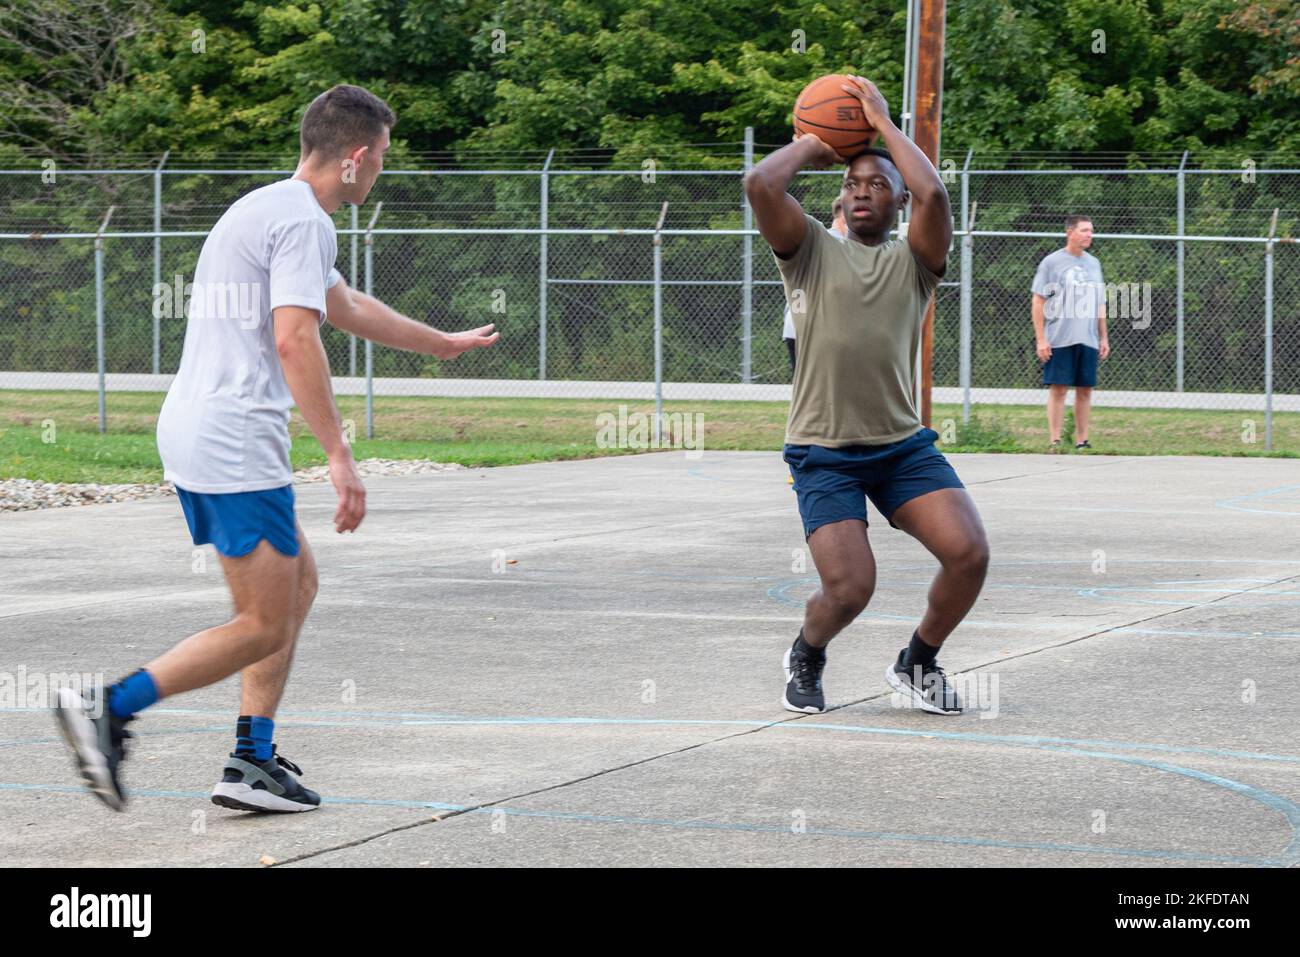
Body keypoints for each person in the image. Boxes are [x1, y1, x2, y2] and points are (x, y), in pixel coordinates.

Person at [53, 84, 498, 813]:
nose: (381, 170)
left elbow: (343, 305)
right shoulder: (303, 222)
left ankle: (250, 760)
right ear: (355, 159)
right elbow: (297, 336)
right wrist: (339, 453)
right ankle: (108, 706)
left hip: (207, 427)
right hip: (232, 438)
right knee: (260, 619)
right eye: (381, 158)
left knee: (297, 587)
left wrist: (439, 342)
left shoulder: (271, 207)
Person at [744, 75, 989, 716]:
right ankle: (808, 649)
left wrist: (879, 125)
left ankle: (918, 660)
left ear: (899, 201)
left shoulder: (916, 261)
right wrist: (813, 142)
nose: (861, 193)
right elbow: (760, 186)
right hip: (823, 451)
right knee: (851, 589)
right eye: (852, 185)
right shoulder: (810, 252)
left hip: (901, 447)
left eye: (877, 185)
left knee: (969, 554)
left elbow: (934, 190)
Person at [1031, 215, 1108, 451]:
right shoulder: (1052, 262)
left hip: (1088, 338)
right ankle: (1055, 440)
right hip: (1060, 336)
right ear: (1070, 233)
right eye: (1084, 230)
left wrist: (1103, 337)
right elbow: (1038, 300)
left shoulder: (1094, 264)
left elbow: (1099, 303)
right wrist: (1042, 338)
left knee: (1085, 390)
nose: (1089, 235)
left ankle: (1081, 441)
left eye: (1091, 231)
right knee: (1059, 389)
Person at [782, 197, 847, 370]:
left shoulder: (815, 241)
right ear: (844, 219)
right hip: (815, 330)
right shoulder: (838, 246)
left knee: (807, 391)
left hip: (795, 326)